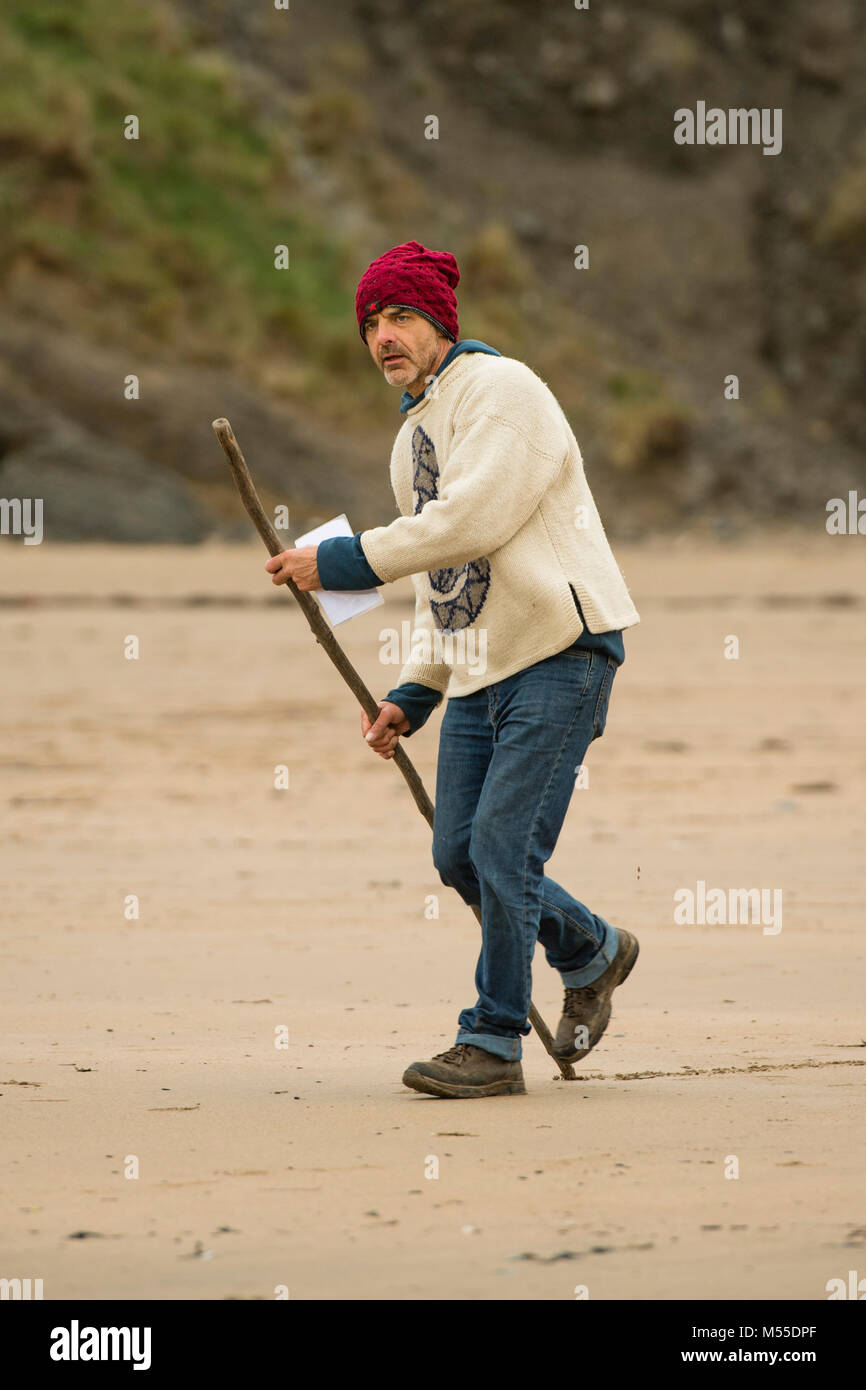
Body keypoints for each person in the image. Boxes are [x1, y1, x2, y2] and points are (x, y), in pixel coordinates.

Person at [265, 239, 641, 1099]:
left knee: (503, 848)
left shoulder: (504, 393)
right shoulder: (410, 440)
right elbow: (452, 582)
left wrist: (346, 561)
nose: (383, 336)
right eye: (370, 322)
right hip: (477, 665)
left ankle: (494, 1041)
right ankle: (593, 951)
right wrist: (414, 692)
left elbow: (469, 522)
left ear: (440, 321)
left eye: (400, 316)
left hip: (560, 652)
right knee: (458, 855)